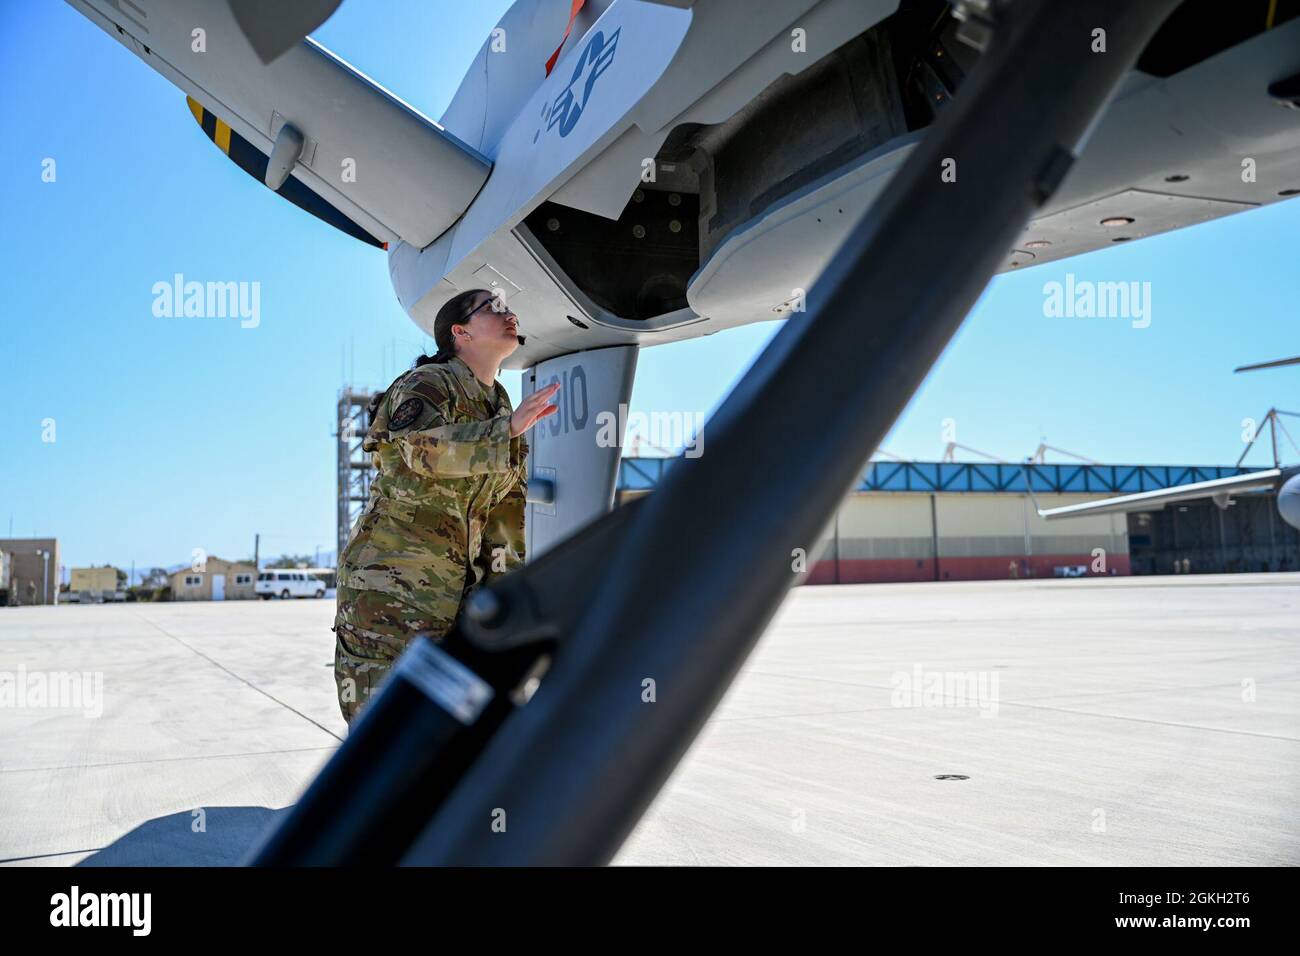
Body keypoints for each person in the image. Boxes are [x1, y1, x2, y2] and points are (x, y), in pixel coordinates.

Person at [333, 288, 560, 724]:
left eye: (509, 306)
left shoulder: (497, 402)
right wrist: (506, 430)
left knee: (444, 721)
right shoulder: (428, 384)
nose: (508, 313)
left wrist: (506, 593)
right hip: (392, 585)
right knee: (383, 721)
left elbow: (505, 511)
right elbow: (422, 453)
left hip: (456, 593)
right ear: (461, 332)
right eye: (493, 308)